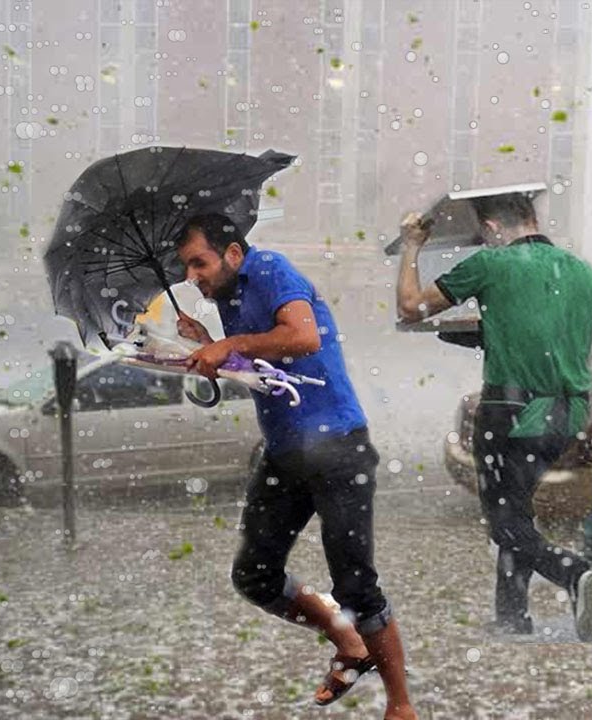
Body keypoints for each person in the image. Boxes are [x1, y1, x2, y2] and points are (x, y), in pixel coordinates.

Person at [174, 214, 416, 720]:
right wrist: (206, 343)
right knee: (254, 575)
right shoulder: (228, 298)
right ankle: (349, 644)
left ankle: (401, 705)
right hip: (285, 451)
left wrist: (230, 344)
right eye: (186, 267)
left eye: (199, 263)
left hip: (337, 446)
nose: (192, 276)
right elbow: (266, 369)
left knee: (355, 585)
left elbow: (303, 337)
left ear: (233, 253)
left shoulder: (270, 268)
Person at [394, 192, 592, 641]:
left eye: (483, 235)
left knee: (505, 522)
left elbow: (410, 307)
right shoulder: (584, 274)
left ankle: (573, 573)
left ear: (492, 228)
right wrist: (492, 333)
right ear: (532, 218)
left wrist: (412, 245)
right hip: (566, 413)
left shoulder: (492, 264)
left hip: (510, 410)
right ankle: (512, 616)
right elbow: (553, 338)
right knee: (517, 510)